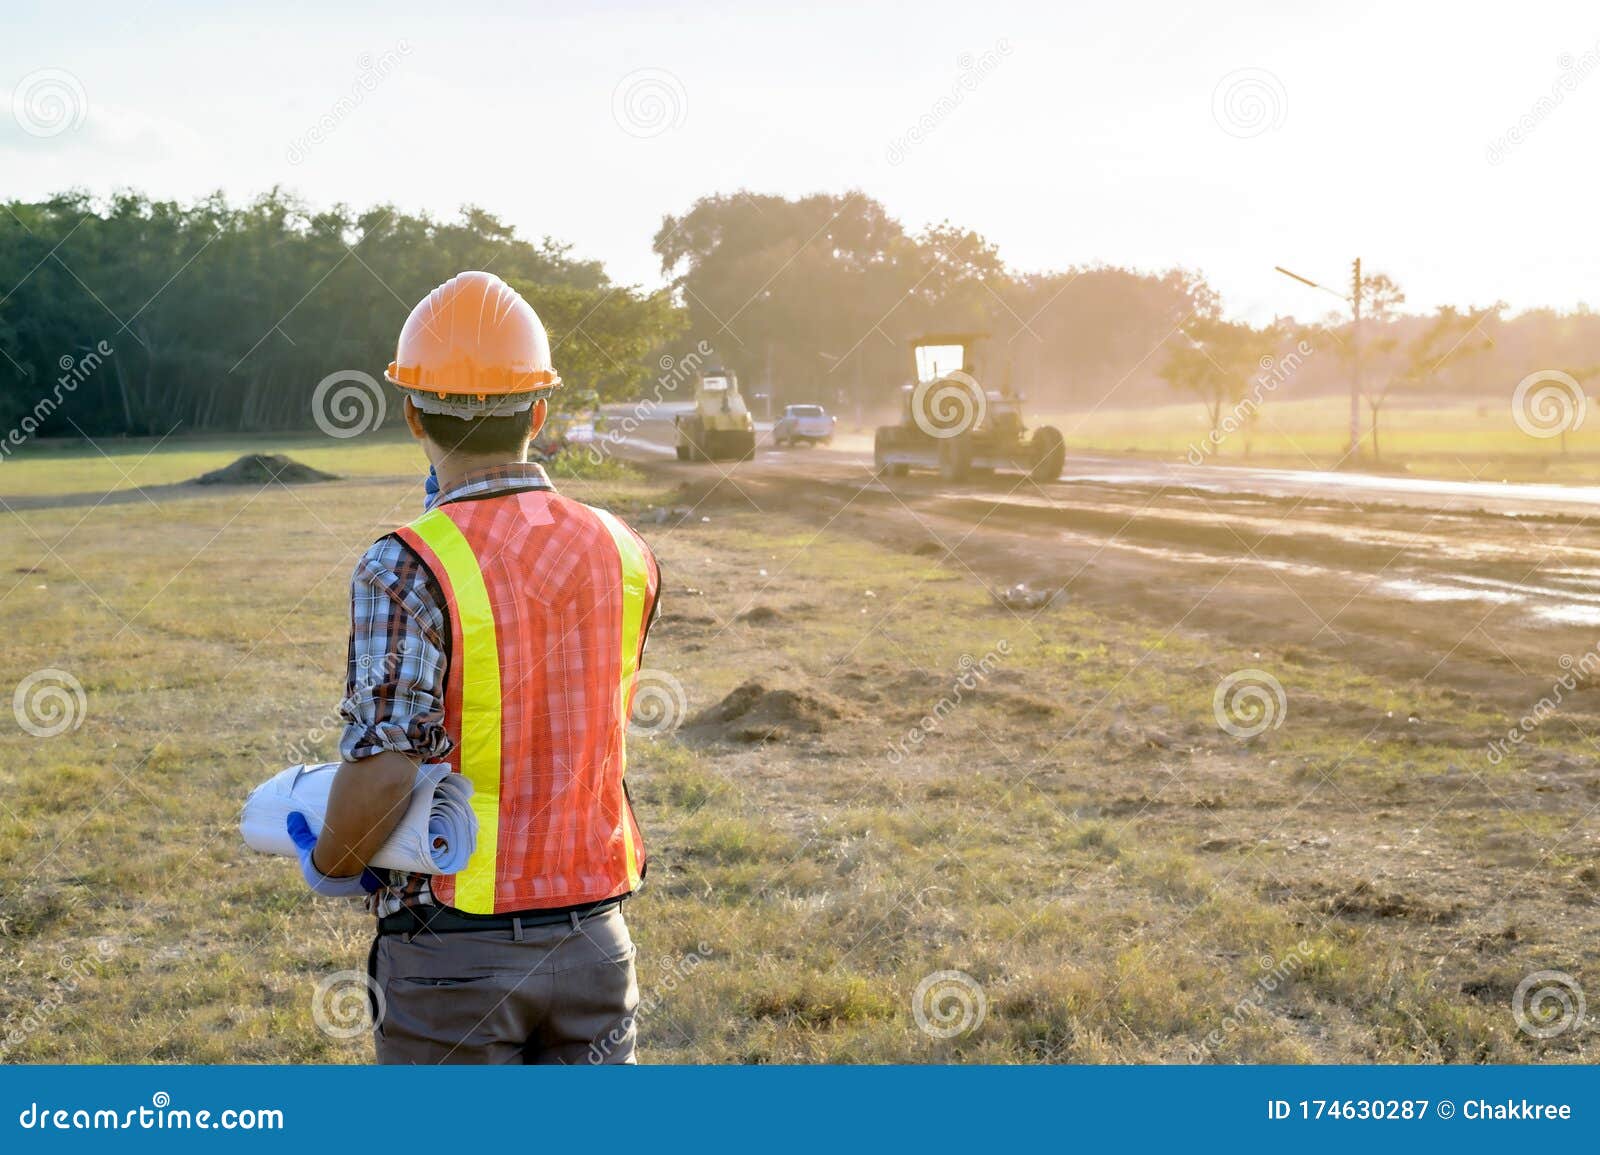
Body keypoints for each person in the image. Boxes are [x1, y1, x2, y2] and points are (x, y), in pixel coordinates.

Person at [286, 270, 660, 1064]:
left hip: (452, 957)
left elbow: (386, 770)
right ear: (540, 412)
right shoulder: (623, 548)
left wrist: (331, 863)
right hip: (598, 941)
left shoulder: (405, 562)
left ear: (412, 413)